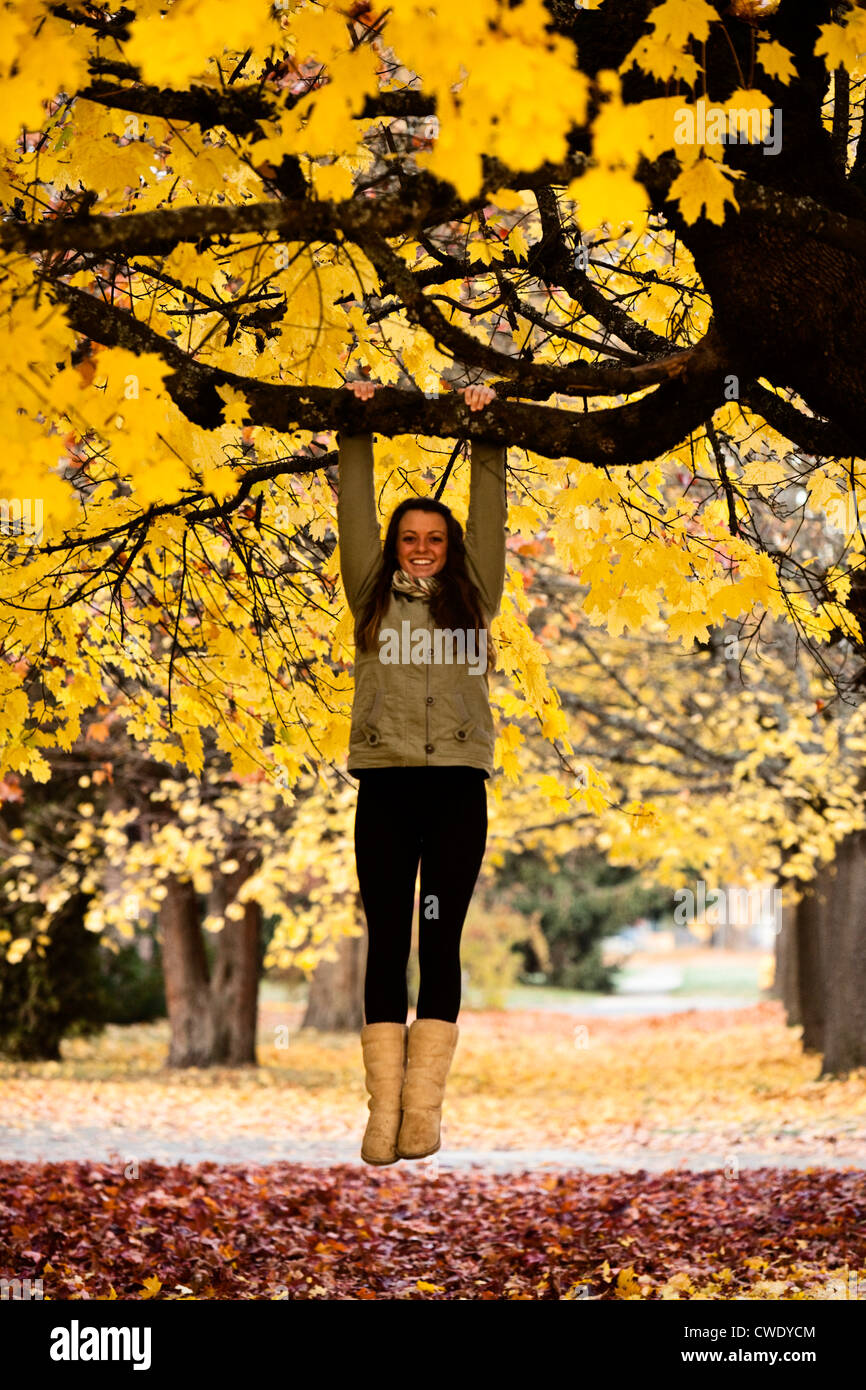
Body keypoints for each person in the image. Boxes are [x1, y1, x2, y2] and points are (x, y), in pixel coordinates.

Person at [336, 379, 507, 1164]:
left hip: (455, 794)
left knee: (438, 940)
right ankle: (381, 1113)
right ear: (396, 545)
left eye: (434, 537)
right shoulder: (369, 594)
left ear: (451, 546)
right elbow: (354, 515)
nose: (422, 547)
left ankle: (422, 1113)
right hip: (387, 788)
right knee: (385, 940)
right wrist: (358, 425)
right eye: (410, 537)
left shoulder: (477, 597)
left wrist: (488, 433)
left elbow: (494, 519)